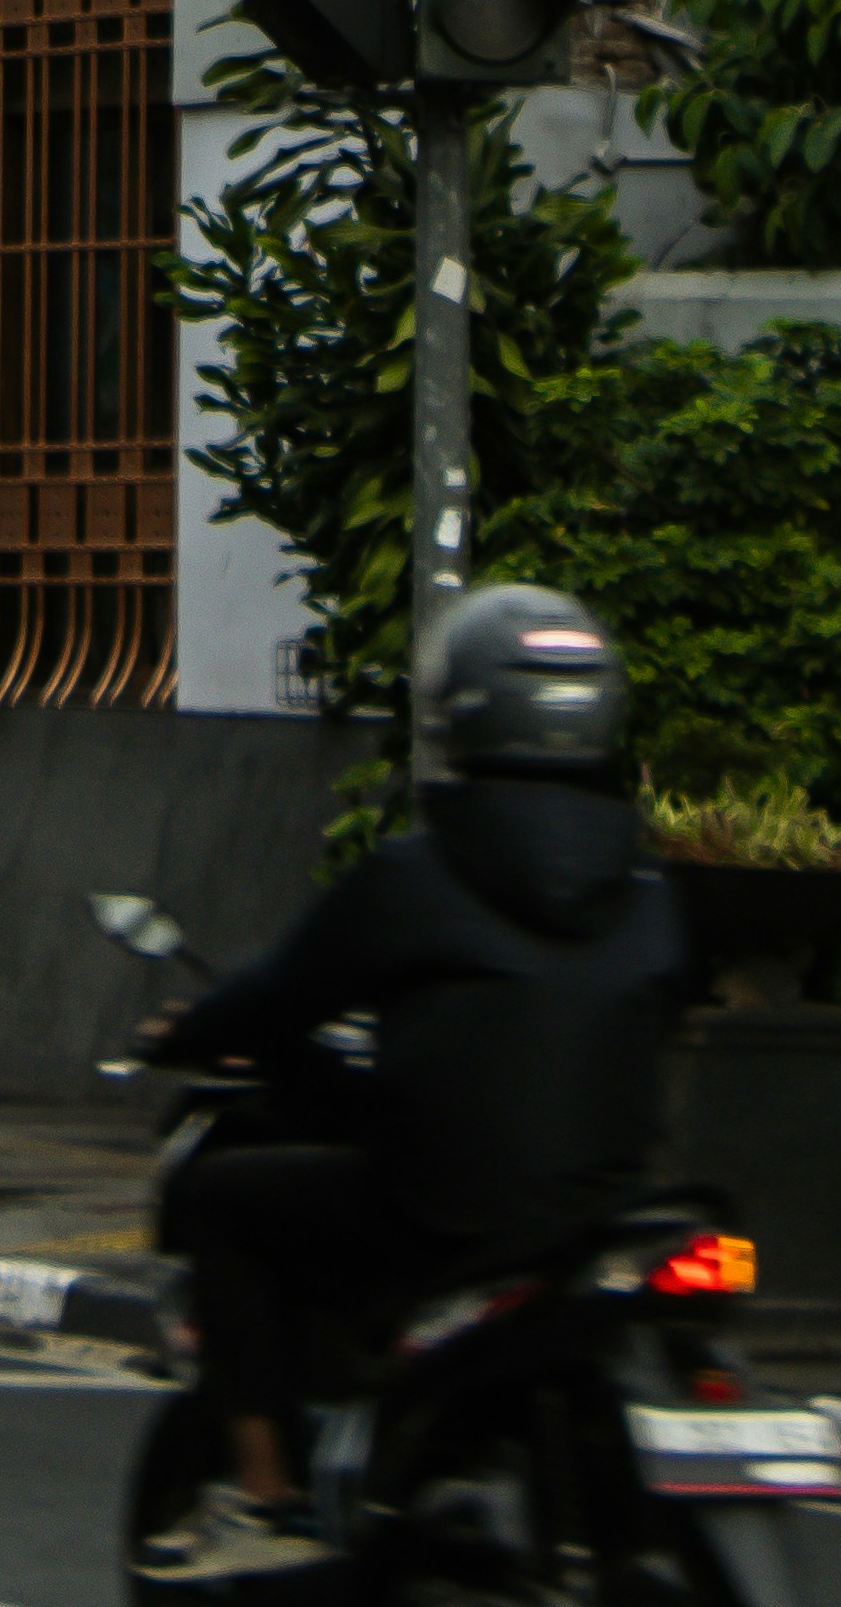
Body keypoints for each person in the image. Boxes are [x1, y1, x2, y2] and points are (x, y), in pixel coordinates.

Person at [139, 587, 685, 1567]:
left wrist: (188, 1029)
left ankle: (265, 1498)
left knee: (223, 1198)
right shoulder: (650, 887)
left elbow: (280, 992)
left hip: (447, 1216)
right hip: (603, 1216)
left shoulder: (417, 873)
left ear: (456, 709)